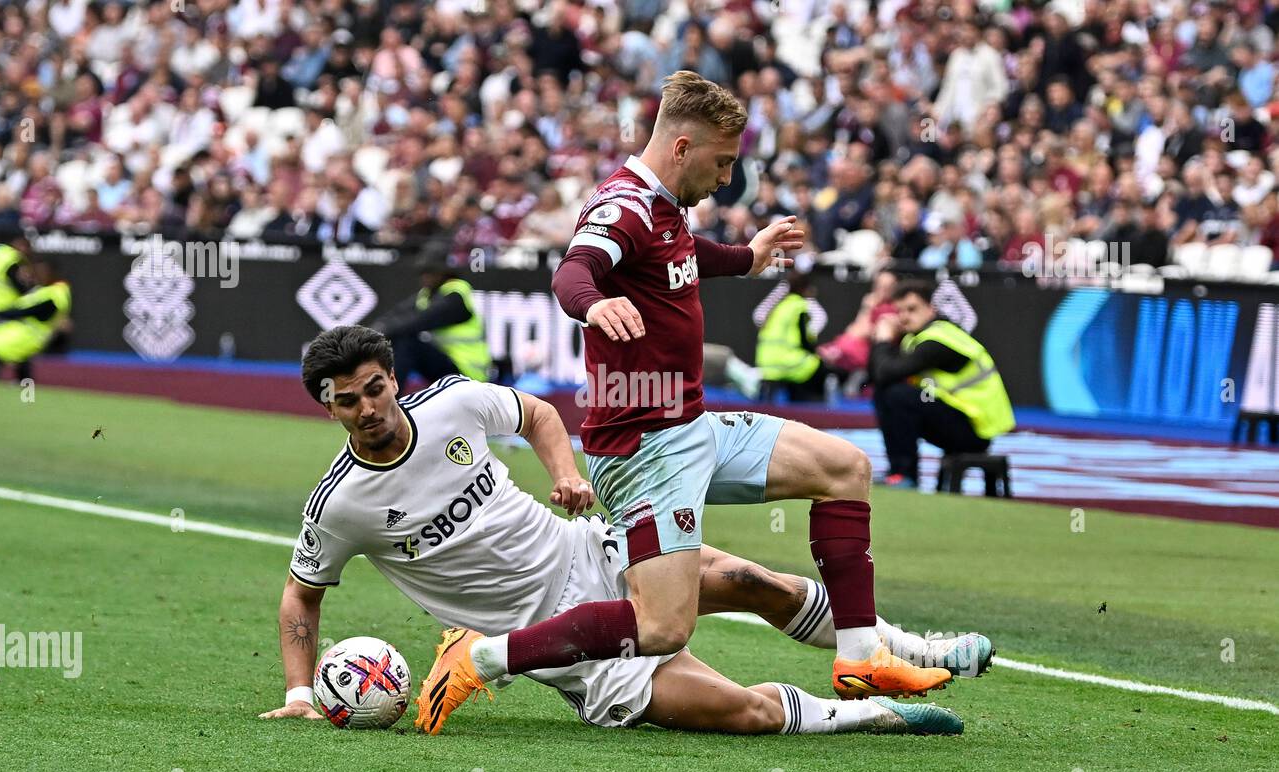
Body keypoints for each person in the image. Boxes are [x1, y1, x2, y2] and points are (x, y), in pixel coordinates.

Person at [418, 71, 954, 736]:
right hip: (642, 447)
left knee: (844, 468)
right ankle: (483, 654)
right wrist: (595, 304)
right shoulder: (622, 206)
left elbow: (679, 256)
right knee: (660, 625)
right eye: (722, 161)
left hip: (689, 425)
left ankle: (860, 657)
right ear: (680, 146)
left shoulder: (664, 209)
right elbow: (571, 273)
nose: (727, 178)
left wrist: (746, 257)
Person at [258, 326, 989, 735]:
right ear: (330, 409)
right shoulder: (341, 503)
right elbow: (301, 597)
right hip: (564, 647)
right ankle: (873, 716)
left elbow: (538, 414)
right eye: (348, 401)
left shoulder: (452, 403)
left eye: (375, 388)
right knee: (743, 713)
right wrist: (298, 692)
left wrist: (564, 474)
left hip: (590, 553)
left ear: (393, 377)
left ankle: (909, 646)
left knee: (748, 580)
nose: (367, 408)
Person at [868, 280, 1015, 489]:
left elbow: (885, 373)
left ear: (931, 309)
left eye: (912, 309)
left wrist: (883, 339)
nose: (904, 316)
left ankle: (905, 474)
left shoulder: (939, 339)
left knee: (896, 395)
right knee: (886, 393)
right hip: (962, 420)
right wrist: (882, 341)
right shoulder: (916, 337)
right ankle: (899, 472)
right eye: (900, 311)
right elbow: (877, 376)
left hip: (977, 429)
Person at [370, 251, 491, 384]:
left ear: (444, 272)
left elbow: (418, 321)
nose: (425, 277)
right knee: (396, 338)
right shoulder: (427, 294)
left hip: (468, 372)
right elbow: (397, 314)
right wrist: (376, 329)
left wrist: (379, 332)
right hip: (447, 364)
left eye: (430, 272)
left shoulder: (456, 296)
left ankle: (391, 396)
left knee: (407, 343)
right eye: (423, 273)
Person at [0, 256, 72, 382]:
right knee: (18, 363)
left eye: (41, 272)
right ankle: (22, 386)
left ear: (51, 273)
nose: (37, 275)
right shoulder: (45, 290)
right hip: (16, 334)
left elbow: (23, 311)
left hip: (21, 337)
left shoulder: (53, 295)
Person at [754, 268, 828, 401]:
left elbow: (758, 317)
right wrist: (816, 352)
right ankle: (814, 407)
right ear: (805, 288)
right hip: (787, 364)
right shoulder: (800, 306)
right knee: (817, 364)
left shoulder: (778, 305)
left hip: (766, 364)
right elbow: (806, 339)